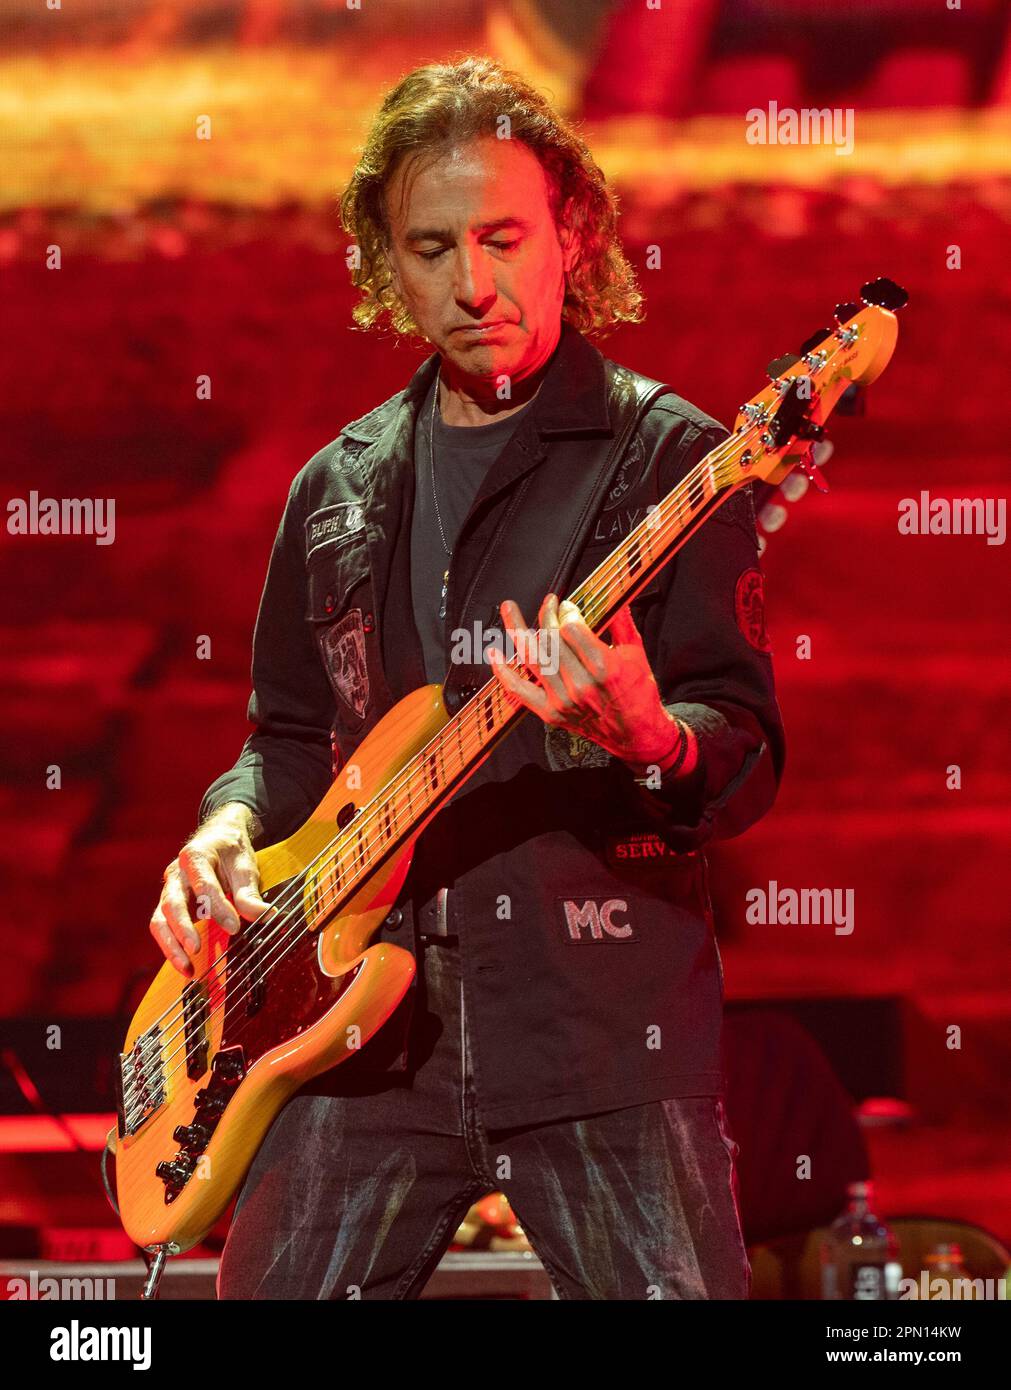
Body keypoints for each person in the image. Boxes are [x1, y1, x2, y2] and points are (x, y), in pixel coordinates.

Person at [148, 56, 785, 1300]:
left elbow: (745, 746)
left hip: (598, 1034)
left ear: (574, 234)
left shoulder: (672, 460)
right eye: (431, 248)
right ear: (389, 264)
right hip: (352, 1045)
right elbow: (285, 737)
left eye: (502, 237)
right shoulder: (335, 487)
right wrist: (224, 825)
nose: (473, 283)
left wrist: (655, 737)